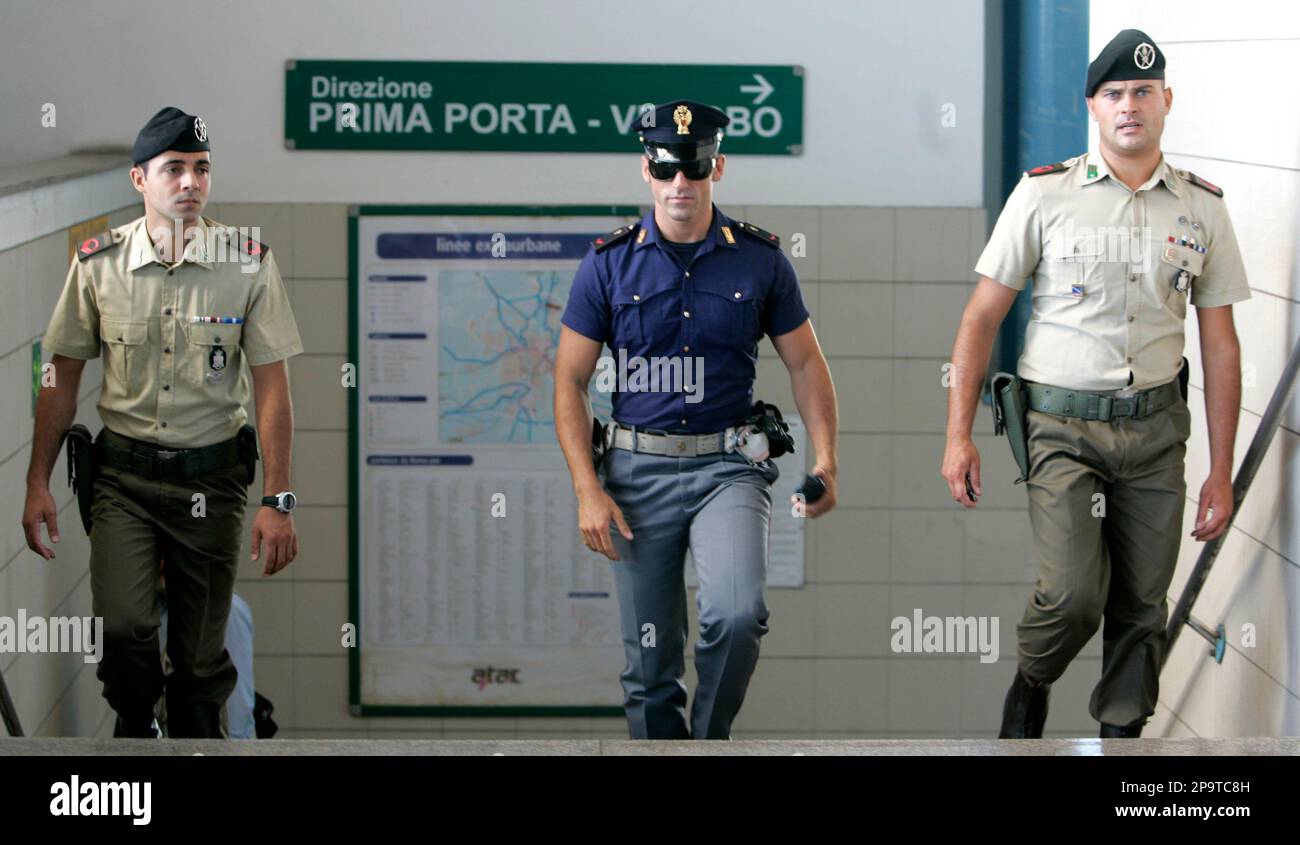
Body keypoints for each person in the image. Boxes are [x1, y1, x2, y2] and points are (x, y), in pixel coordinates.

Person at [941, 31, 1250, 738]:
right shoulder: (1044, 195)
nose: (1129, 106)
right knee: (1074, 594)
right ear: (1093, 107)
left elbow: (1221, 345)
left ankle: (1121, 747)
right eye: (1114, 94)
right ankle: (1032, 681)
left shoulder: (1201, 208)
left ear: (1166, 101)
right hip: (1061, 429)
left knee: (1143, 604)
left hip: (1155, 432)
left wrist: (1222, 471)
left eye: (1143, 92)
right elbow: (981, 315)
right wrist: (957, 433)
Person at [554, 100, 838, 739]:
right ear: (647, 171)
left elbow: (805, 365)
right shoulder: (608, 264)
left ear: (718, 168)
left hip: (728, 469)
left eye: (696, 168)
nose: (680, 183)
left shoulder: (761, 260)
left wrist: (825, 460)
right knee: (650, 664)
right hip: (634, 475)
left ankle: (708, 745)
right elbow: (568, 380)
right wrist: (586, 490)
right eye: (666, 169)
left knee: (737, 615)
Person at [21, 107, 304, 738]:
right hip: (123, 484)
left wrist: (278, 499)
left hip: (213, 483)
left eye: (201, 169)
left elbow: (272, 387)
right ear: (138, 180)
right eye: (173, 169)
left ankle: (195, 743)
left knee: (202, 659)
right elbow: (59, 375)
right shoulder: (97, 265)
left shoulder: (248, 263)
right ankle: (135, 730)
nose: (190, 183)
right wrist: (38, 481)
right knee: (125, 629)